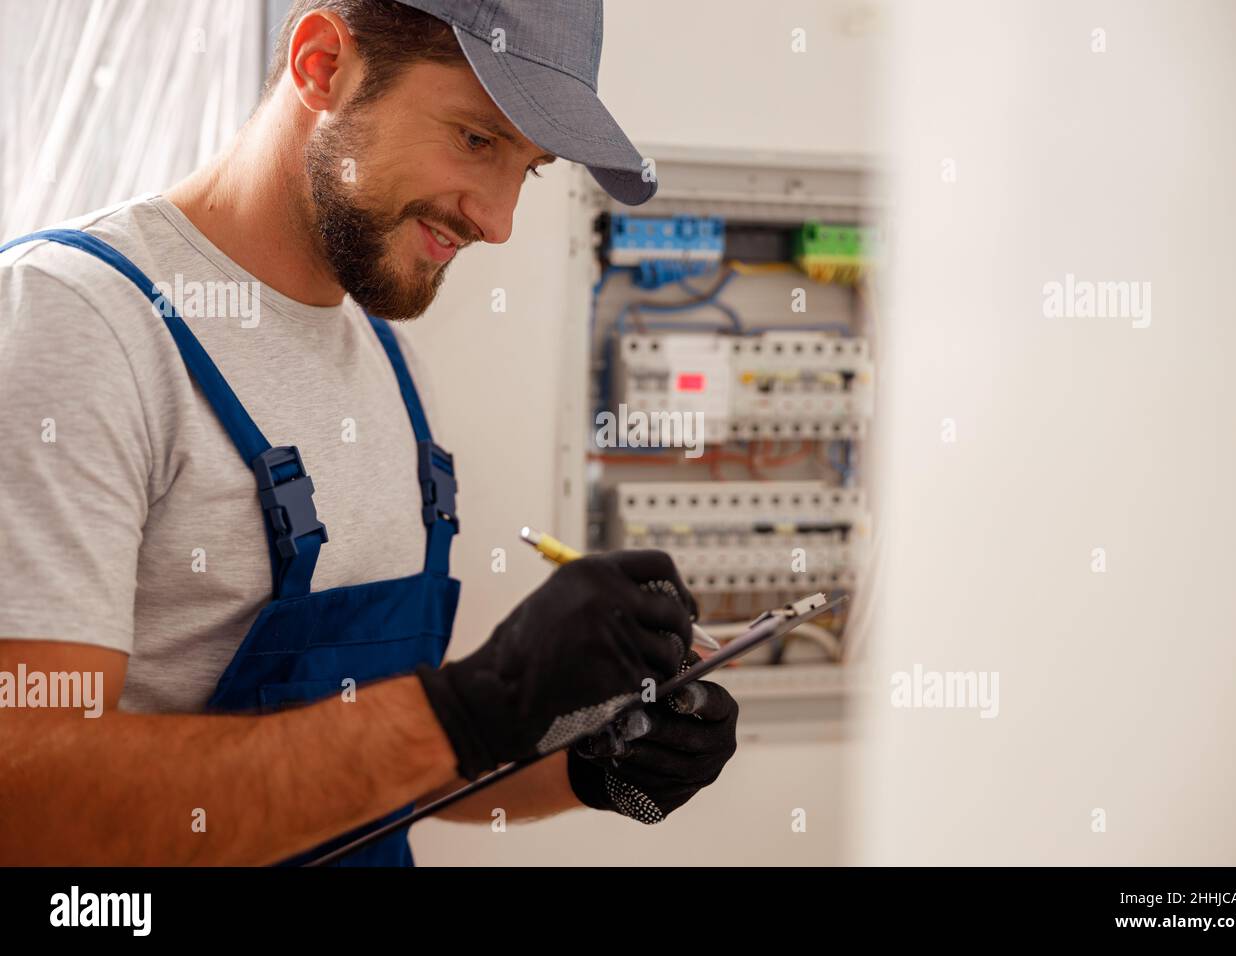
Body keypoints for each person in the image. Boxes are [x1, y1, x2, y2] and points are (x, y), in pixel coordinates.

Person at [0, 0, 737, 866]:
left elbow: (376, 761)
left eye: (528, 169)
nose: (496, 220)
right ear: (321, 64)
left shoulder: (388, 364)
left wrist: (588, 767)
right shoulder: (77, 323)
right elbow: (28, 800)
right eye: (475, 138)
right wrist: (468, 705)